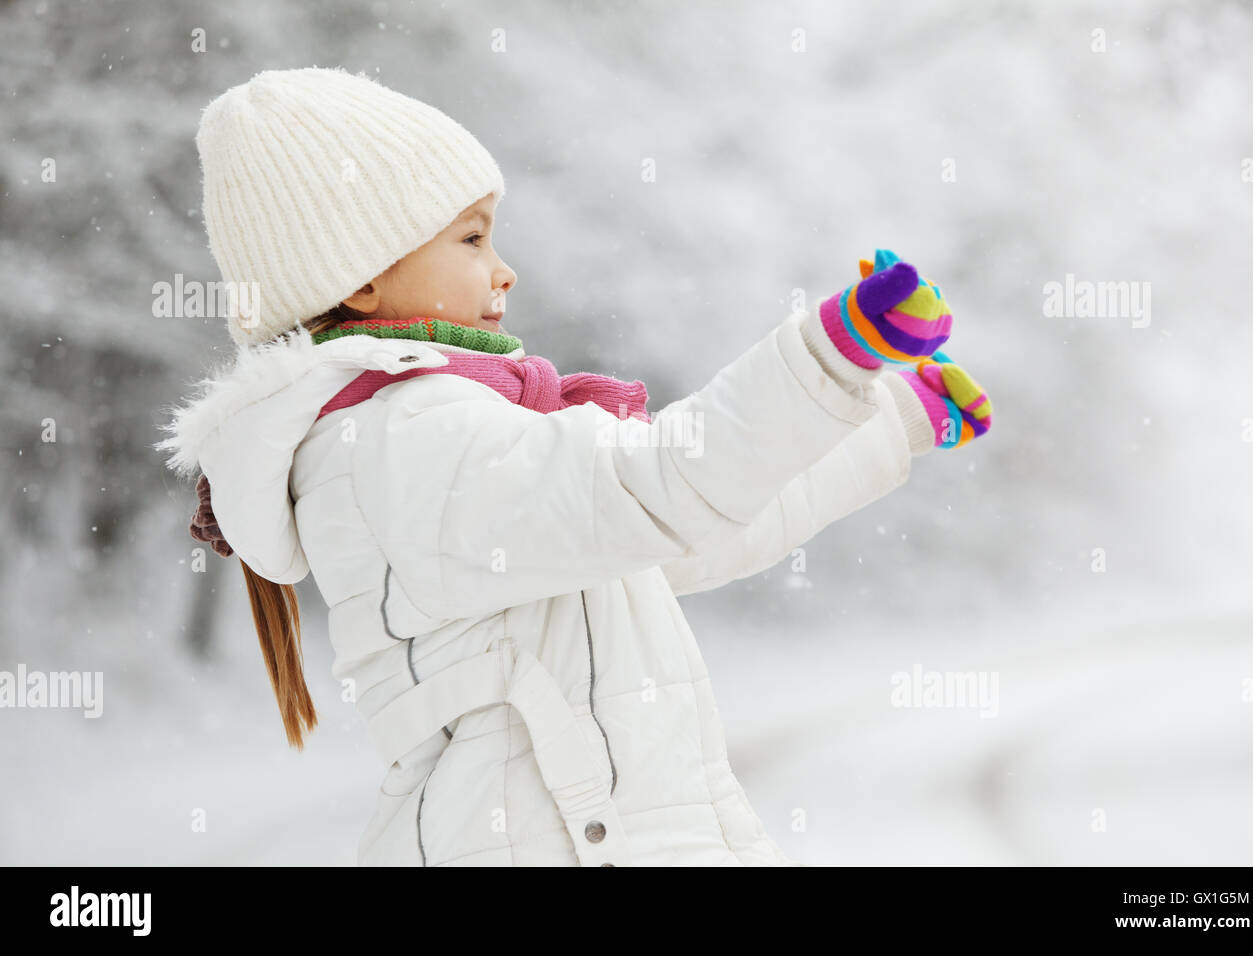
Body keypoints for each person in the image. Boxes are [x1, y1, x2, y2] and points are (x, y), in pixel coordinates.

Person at [156, 67, 992, 866]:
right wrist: (829, 355)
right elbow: (654, 489)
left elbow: (688, 530)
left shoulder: (452, 428)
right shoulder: (401, 443)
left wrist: (886, 423)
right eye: (473, 237)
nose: (504, 268)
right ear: (363, 280)